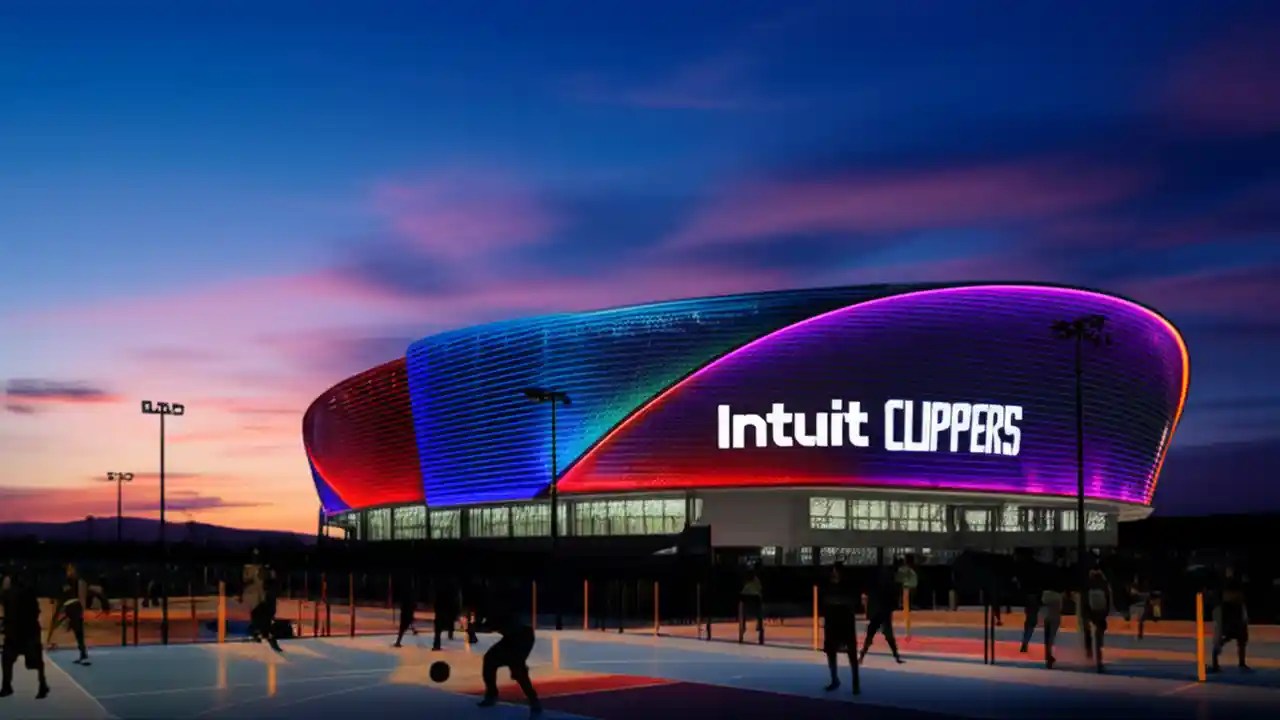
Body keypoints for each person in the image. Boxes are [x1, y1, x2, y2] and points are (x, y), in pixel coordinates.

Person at [474, 583, 541, 716]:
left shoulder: (499, 605)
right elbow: (489, 625)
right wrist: (477, 627)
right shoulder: (492, 605)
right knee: (490, 660)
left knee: (516, 668)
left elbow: (492, 625)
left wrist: (477, 627)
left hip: (522, 638)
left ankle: (534, 701)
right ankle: (492, 694)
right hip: (512, 638)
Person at [1, 565, 50, 700]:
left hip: (25, 632)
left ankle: (41, 685)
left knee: (14, 659)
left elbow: (33, 612)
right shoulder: (21, 593)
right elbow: (36, 611)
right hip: (22, 632)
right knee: (32, 661)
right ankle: (41, 685)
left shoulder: (11, 594)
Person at [821, 562, 860, 694]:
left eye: (836, 571)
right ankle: (834, 679)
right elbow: (824, 600)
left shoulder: (848, 586)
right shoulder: (828, 585)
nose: (835, 574)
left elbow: (853, 601)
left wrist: (837, 601)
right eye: (833, 571)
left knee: (851, 653)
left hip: (845, 621)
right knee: (831, 651)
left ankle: (855, 683)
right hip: (832, 622)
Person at [859, 563, 904, 665]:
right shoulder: (887, 584)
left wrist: (868, 612)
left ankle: (862, 656)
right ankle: (896, 656)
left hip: (879, 612)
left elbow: (866, 598)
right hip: (881, 612)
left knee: (873, 635)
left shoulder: (878, 584)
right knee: (883, 635)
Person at [46, 564, 90, 666]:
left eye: (71, 570)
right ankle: (82, 652)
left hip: (75, 607)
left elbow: (80, 596)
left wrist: (82, 611)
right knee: (75, 631)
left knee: (78, 631)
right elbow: (61, 598)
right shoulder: (64, 583)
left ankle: (83, 653)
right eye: (68, 570)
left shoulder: (77, 581)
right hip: (68, 608)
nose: (69, 572)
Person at [1210, 566, 1249, 672]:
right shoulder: (1226, 586)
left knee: (1239, 639)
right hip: (1230, 614)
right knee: (1223, 638)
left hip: (1235, 613)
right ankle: (1215, 662)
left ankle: (1240, 662)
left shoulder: (1234, 586)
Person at [1081, 566, 1112, 673]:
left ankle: (1089, 653)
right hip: (1100, 613)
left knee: (1088, 632)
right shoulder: (1104, 584)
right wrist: (1105, 614)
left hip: (1090, 612)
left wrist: (1085, 616)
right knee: (1099, 637)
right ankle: (1099, 661)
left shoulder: (1087, 584)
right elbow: (1108, 601)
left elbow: (1084, 601)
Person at [1039, 563, 1067, 669]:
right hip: (1054, 617)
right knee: (1051, 637)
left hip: (1047, 616)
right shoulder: (1058, 595)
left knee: (1047, 637)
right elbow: (1060, 608)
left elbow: (1042, 603)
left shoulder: (1045, 594)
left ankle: (1048, 656)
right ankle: (1048, 656)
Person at [430, 577, 462, 651]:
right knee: (447, 615)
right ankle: (446, 634)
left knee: (441, 617)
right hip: (447, 594)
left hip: (442, 594)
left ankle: (437, 642)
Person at [738, 565, 764, 644]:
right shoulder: (756, 581)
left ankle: (743, 628)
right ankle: (759, 626)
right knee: (759, 608)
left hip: (747, 605)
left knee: (743, 608)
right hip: (755, 604)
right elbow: (760, 590)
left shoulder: (746, 583)